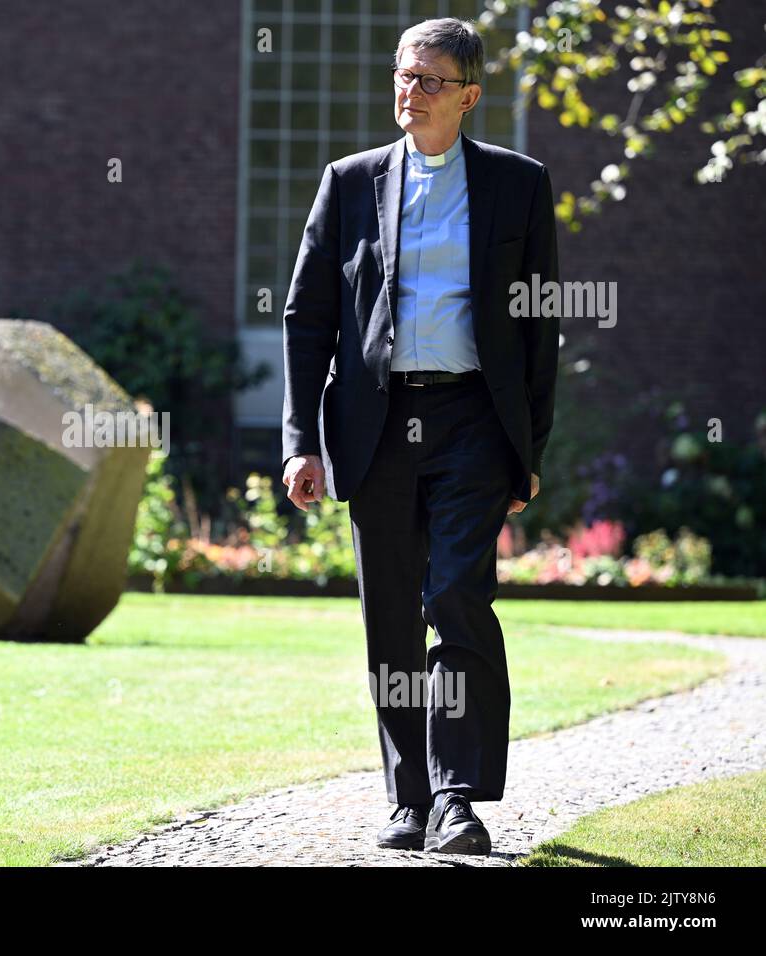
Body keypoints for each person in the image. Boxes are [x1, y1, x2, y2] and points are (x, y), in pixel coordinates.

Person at [279, 16, 560, 855]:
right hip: (374, 422)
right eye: (403, 76)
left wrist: (529, 451)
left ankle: (456, 796)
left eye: (431, 80)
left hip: (475, 418)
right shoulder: (349, 181)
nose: (411, 92)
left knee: (457, 598)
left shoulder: (518, 184)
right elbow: (308, 317)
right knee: (392, 614)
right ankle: (406, 797)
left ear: (469, 95)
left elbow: (541, 326)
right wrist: (302, 441)